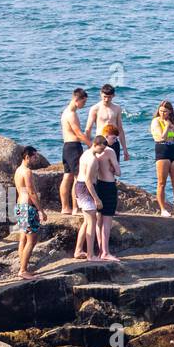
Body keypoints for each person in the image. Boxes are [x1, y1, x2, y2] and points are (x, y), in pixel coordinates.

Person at [12, 146, 47, 279]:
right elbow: (31, 192)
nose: (36, 159)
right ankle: (22, 270)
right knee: (31, 240)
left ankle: (23, 267)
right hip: (27, 208)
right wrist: (41, 210)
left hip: (20, 206)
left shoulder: (18, 170)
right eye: (34, 157)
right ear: (27, 157)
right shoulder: (27, 172)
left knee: (23, 238)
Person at [59, 88, 91, 216]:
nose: (84, 105)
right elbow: (78, 133)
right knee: (79, 178)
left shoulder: (65, 112)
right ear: (77, 100)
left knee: (67, 177)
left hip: (66, 146)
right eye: (84, 102)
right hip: (73, 147)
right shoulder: (72, 114)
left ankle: (65, 207)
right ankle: (75, 209)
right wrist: (91, 145)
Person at [73, 139, 106, 260]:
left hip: (80, 186)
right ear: (95, 144)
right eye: (101, 149)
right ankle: (91, 255)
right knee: (92, 222)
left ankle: (78, 250)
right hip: (86, 189)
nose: (102, 152)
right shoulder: (92, 159)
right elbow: (88, 180)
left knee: (87, 222)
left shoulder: (85, 153)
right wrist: (97, 199)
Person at [151, 100, 174, 217]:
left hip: (173, 151)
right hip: (162, 151)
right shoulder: (156, 121)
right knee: (162, 182)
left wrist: (172, 127)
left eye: (165, 111)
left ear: (170, 111)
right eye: (161, 111)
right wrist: (166, 126)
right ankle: (163, 209)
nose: (162, 113)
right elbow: (161, 137)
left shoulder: (172, 121)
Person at [92, 137, 121, 261]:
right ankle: (105, 252)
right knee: (107, 221)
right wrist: (114, 169)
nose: (114, 140)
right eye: (113, 137)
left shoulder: (93, 152)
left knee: (99, 220)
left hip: (98, 185)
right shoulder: (109, 151)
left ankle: (100, 250)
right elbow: (118, 172)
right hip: (109, 185)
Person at [85, 84, 128, 162]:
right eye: (104, 97)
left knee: (114, 168)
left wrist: (125, 149)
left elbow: (120, 129)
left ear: (113, 96)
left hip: (114, 142)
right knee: (100, 168)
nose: (106, 99)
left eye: (109, 97)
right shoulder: (95, 108)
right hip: (101, 142)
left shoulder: (117, 108)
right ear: (100, 94)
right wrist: (89, 146)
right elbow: (88, 129)